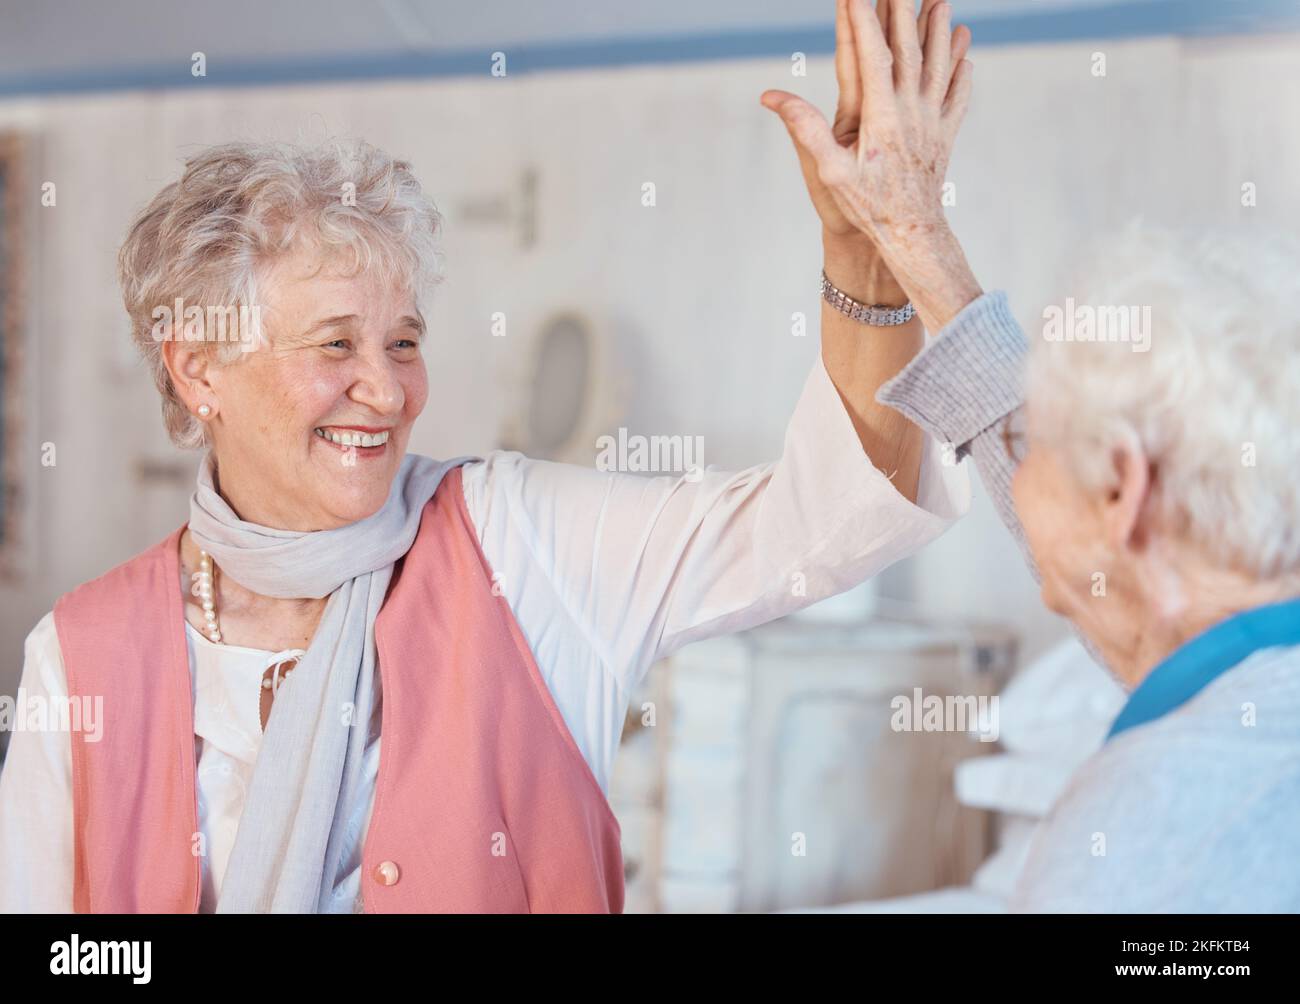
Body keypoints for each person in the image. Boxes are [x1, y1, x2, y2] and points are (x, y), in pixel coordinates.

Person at [0, 0, 983, 914]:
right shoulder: (81, 653)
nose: (386, 389)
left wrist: (870, 259)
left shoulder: (518, 542)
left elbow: (818, 523)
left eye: (404, 340)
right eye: (336, 344)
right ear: (199, 367)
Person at [766, 0, 1300, 911]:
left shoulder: (1139, 832)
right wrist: (909, 229)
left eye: (1034, 434)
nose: (1008, 447)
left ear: (1123, 489)